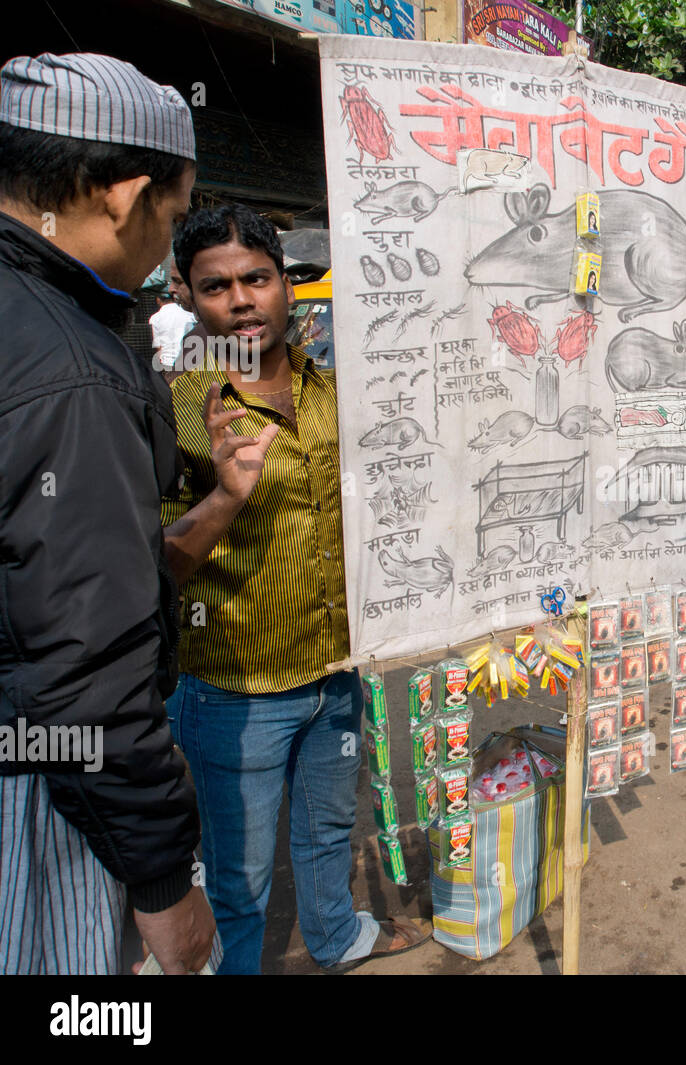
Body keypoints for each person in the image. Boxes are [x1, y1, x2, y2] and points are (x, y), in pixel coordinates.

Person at [0, 52, 277, 975]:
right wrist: (163, 879)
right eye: (172, 213)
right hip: (52, 789)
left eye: (260, 278)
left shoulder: (47, 321)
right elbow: (85, 661)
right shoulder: (75, 370)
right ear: (123, 195)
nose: (239, 299)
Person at [164, 204, 430, 974]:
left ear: (286, 286)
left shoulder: (336, 396)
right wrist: (224, 498)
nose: (242, 300)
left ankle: (337, 935)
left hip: (335, 672)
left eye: (257, 278)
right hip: (232, 688)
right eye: (217, 286)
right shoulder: (178, 410)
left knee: (327, 831)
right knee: (239, 878)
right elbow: (157, 569)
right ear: (188, 297)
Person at [149, 254, 197, 372]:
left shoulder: (155, 318)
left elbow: (158, 346)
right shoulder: (186, 313)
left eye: (178, 281)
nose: (172, 288)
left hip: (168, 363)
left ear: (158, 300)